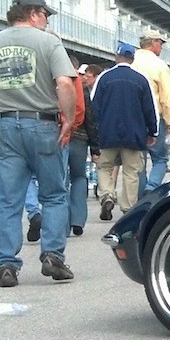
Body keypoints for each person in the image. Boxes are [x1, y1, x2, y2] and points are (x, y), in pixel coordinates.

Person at [0, 0, 77, 287]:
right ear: (32, 13)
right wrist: (69, 119)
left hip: (5, 126)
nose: (46, 20)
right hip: (43, 125)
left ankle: (6, 263)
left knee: (8, 199)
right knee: (55, 194)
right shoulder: (49, 43)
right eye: (44, 14)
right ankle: (53, 256)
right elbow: (65, 84)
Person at [92, 42, 157, 221]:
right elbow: (149, 109)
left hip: (107, 132)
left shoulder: (104, 78)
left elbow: (94, 107)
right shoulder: (141, 80)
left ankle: (106, 195)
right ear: (132, 58)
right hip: (134, 134)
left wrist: (95, 132)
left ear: (117, 56)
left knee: (104, 166)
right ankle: (127, 208)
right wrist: (152, 131)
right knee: (131, 171)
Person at [131, 29, 170, 193]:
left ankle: (140, 197)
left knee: (139, 161)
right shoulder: (159, 65)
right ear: (153, 43)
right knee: (160, 158)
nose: (162, 47)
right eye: (161, 43)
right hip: (155, 119)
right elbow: (166, 97)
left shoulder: (131, 62)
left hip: (133, 119)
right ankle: (152, 187)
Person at [64, 54, 97, 236]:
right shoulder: (81, 87)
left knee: (61, 179)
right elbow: (90, 118)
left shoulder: (54, 81)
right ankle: (77, 220)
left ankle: (62, 223)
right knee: (78, 177)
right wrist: (95, 147)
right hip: (80, 138)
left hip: (59, 135)